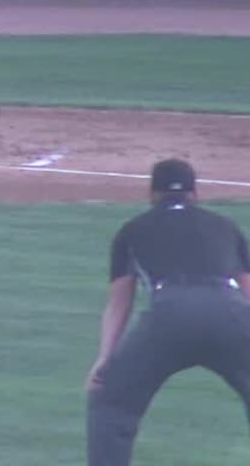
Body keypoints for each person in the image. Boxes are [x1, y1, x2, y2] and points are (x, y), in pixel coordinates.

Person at [86, 158, 250, 466]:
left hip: (170, 315)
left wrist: (105, 358)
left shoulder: (132, 230)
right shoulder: (225, 226)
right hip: (231, 312)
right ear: (195, 194)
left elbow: (120, 303)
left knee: (112, 404)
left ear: (152, 194)